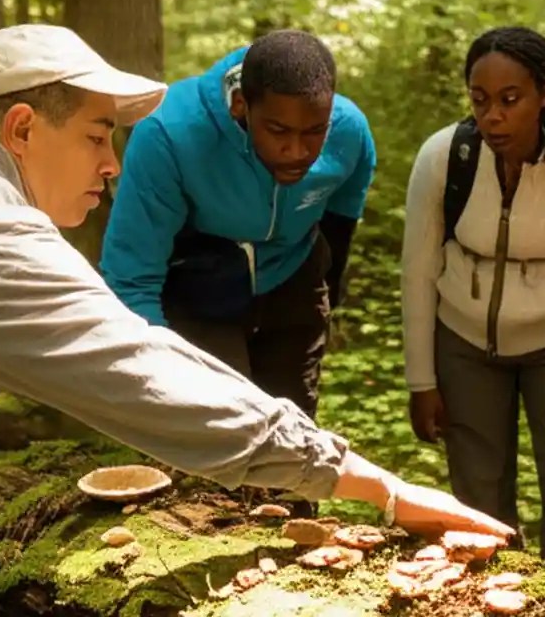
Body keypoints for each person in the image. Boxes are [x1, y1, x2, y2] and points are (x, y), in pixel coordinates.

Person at [0, 25, 510, 617]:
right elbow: (146, 370)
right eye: (97, 135)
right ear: (20, 128)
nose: (112, 165)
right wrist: (381, 488)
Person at [400, 26, 545, 574]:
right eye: (479, 100)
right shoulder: (443, 158)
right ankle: (492, 597)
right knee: (478, 501)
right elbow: (419, 273)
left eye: (509, 100)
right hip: (463, 341)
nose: (491, 117)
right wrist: (421, 383)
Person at [100, 29, 375, 420]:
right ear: (241, 106)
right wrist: (163, 375)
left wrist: (328, 294)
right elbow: (131, 277)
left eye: (315, 132)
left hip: (292, 276)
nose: (299, 151)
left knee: (290, 433)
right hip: (197, 283)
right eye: (279, 131)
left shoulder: (350, 130)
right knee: (219, 425)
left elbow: (342, 214)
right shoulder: (168, 135)